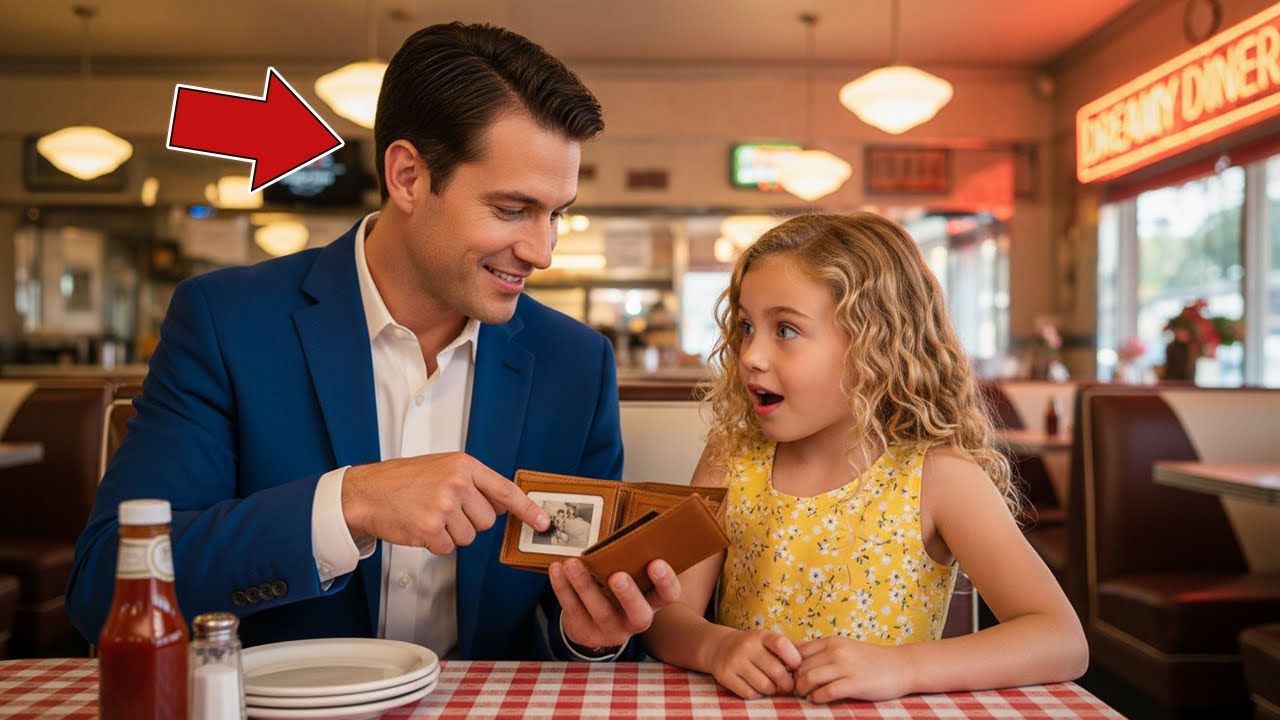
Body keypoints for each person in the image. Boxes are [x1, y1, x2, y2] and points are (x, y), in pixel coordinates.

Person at [67, 22, 679, 662]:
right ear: (409, 176)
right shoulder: (227, 322)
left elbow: (563, 611)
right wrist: (348, 504)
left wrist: (584, 634)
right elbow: (103, 587)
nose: (543, 251)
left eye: (557, 214)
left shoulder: (575, 364)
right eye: (511, 209)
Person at [643, 213, 1088, 701]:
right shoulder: (730, 458)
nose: (751, 353)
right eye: (747, 326)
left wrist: (905, 668)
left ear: (875, 345)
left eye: (785, 330)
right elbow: (665, 614)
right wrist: (716, 646)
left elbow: (1060, 638)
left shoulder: (940, 477)